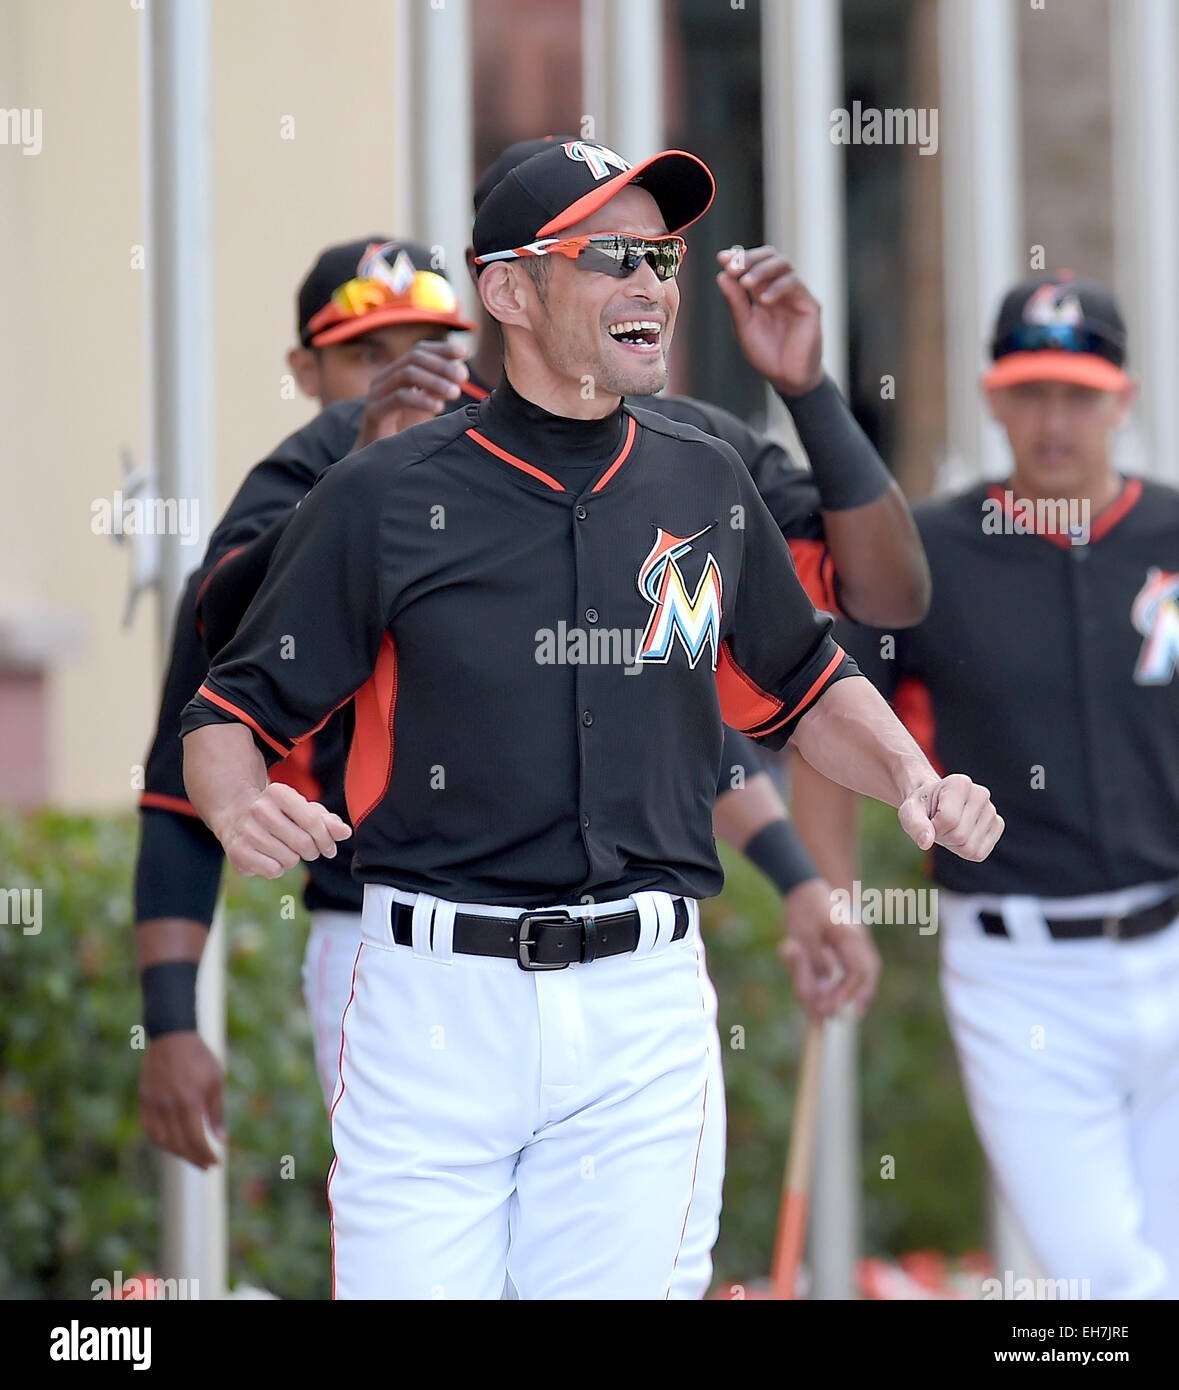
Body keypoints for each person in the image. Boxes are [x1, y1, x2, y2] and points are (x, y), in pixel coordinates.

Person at [180, 140, 1001, 1299]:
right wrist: (234, 803)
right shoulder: (380, 495)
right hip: (430, 1011)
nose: (653, 286)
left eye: (661, 256)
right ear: (508, 290)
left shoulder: (706, 476)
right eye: (610, 256)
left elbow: (806, 680)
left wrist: (912, 779)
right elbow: (226, 711)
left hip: (642, 1008)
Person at [793, 273, 1179, 1298]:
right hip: (1022, 970)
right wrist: (833, 900)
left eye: (1079, 394)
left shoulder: (1173, 532)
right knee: (1106, 1275)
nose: (1055, 420)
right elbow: (827, 724)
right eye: (1032, 391)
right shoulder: (922, 555)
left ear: (1122, 399)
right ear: (993, 396)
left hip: (1173, 937)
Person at [134, 239, 475, 1154]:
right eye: (370, 355)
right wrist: (168, 1021)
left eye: (431, 351)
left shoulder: (519, 464)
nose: (406, 379)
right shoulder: (287, 490)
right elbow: (181, 787)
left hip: (587, 941)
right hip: (379, 936)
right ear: (305, 368)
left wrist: (799, 882)